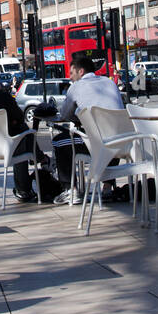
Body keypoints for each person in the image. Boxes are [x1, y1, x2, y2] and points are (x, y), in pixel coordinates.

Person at [0, 56, 59, 203]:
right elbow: (19, 117)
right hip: (7, 146)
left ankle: (30, 179)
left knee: (20, 132)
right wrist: (12, 121)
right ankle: (30, 178)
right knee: (22, 132)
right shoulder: (1, 95)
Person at [51, 52, 127, 204]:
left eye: (72, 72)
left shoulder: (76, 87)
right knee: (110, 133)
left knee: (59, 142)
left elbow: (65, 115)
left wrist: (80, 119)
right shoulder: (110, 82)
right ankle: (107, 187)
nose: (70, 76)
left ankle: (70, 190)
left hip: (96, 144)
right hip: (121, 142)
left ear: (81, 71)